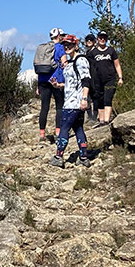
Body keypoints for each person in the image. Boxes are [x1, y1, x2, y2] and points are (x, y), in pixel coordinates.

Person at [48, 34, 92, 168]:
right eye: (65, 45)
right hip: (71, 101)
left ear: (76, 45)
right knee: (78, 129)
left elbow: (86, 80)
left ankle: (58, 157)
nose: (67, 47)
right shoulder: (69, 63)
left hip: (74, 103)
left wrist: (84, 98)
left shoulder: (81, 60)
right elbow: (71, 84)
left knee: (64, 129)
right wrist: (58, 85)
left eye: (70, 44)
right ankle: (84, 158)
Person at [36, 28, 67, 143]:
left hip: (43, 80)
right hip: (56, 80)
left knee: (44, 107)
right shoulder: (60, 48)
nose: (63, 37)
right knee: (60, 106)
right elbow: (65, 64)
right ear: (58, 36)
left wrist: (38, 85)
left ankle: (42, 133)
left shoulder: (43, 48)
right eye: (62, 35)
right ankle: (58, 131)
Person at [89, 31, 123, 125]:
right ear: (97, 39)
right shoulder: (93, 52)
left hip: (110, 78)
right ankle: (102, 120)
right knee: (100, 99)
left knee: (108, 98)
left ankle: (107, 120)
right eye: (100, 37)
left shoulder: (111, 50)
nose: (102, 39)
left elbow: (117, 65)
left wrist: (120, 77)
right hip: (97, 80)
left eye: (104, 37)